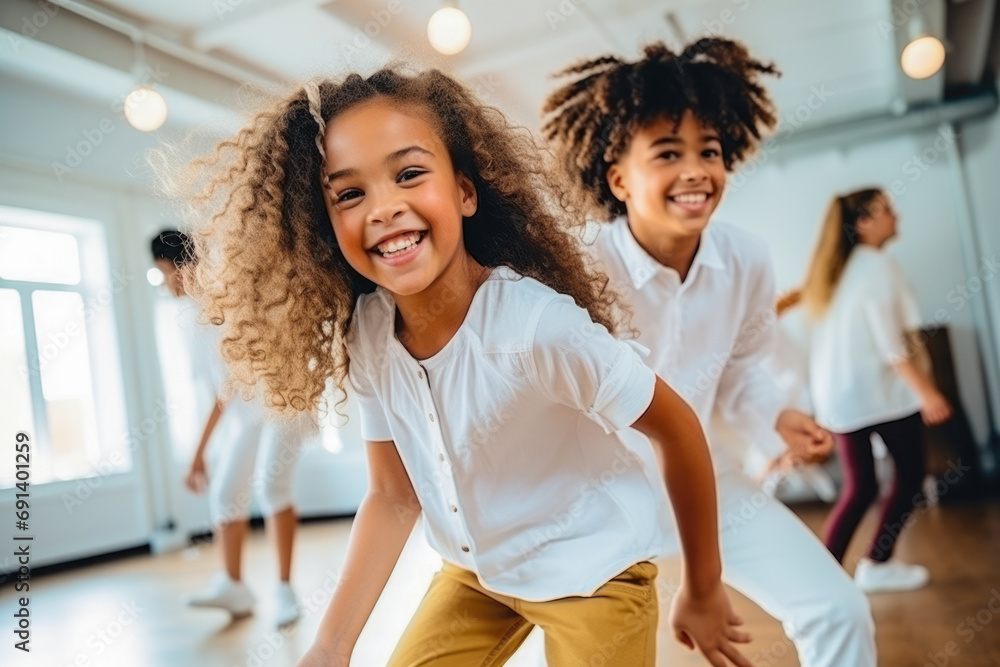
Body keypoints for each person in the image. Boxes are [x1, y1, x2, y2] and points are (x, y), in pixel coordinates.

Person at [166, 67, 753, 667]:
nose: (385, 208)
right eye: (349, 193)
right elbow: (393, 496)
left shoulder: (536, 327)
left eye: (410, 174)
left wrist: (703, 588)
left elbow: (677, 428)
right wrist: (329, 647)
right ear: (324, 227)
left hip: (592, 569)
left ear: (466, 192)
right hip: (478, 573)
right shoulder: (370, 333)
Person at [542, 39, 876, 667]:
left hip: (707, 481)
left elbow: (744, 369)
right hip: (596, 497)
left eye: (711, 153)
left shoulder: (746, 258)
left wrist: (777, 417)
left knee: (839, 609)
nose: (696, 170)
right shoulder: (579, 271)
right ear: (619, 178)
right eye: (668, 154)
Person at [800, 188, 953, 592]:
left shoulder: (843, 270)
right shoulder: (876, 267)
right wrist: (927, 393)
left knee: (861, 485)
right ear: (863, 223)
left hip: (841, 396)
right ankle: (876, 565)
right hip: (875, 395)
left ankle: (820, 577)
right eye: (887, 210)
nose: (896, 216)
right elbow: (892, 346)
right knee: (909, 474)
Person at [150, 230, 306, 627]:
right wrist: (199, 454)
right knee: (225, 493)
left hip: (283, 402)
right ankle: (233, 587)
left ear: (184, 267)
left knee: (272, 486)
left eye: (165, 272)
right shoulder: (192, 323)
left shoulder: (233, 299)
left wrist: (200, 451)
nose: (167, 283)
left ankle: (284, 589)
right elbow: (221, 395)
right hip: (247, 416)